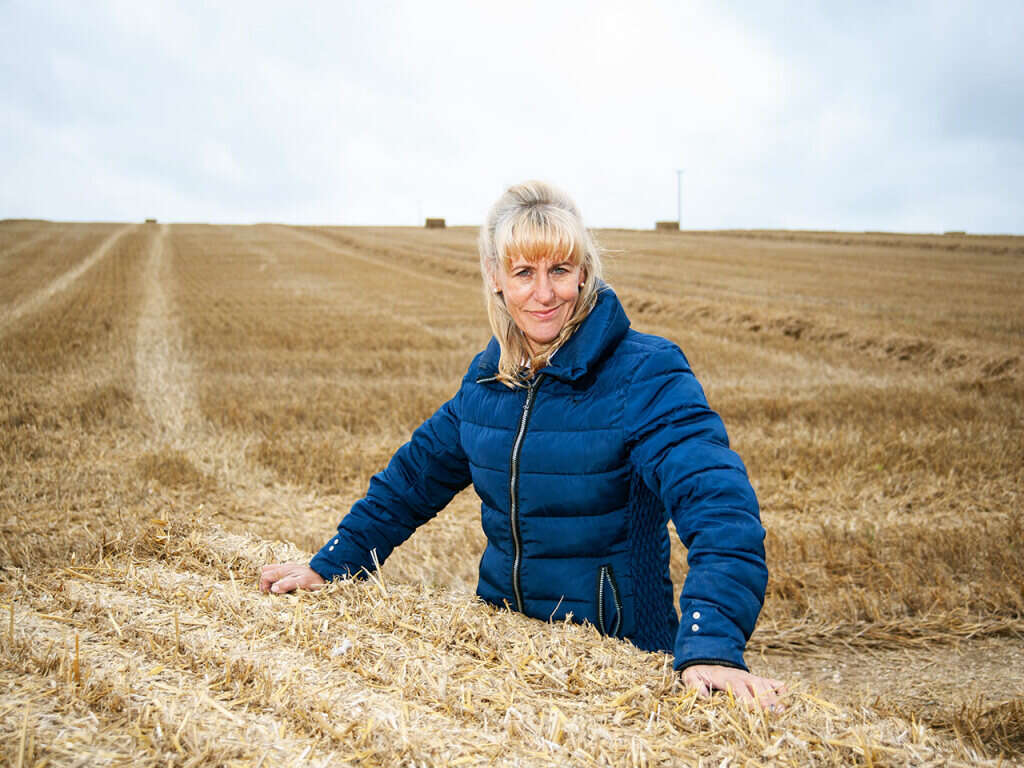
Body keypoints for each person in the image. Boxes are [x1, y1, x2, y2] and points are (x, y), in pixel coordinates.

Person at [260, 181, 785, 709]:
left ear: (583, 272)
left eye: (559, 270)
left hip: (620, 668)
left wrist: (711, 643)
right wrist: (332, 565)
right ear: (495, 278)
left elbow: (718, 505)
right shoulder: (490, 380)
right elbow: (412, 481)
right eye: (523, 273)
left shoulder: (645, 372)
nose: (544, 292)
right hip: (506, 657)